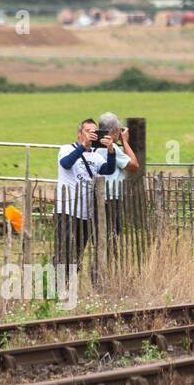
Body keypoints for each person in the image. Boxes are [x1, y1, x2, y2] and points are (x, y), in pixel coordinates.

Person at [56, 118, 117, 271]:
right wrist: (83, 147)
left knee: (78, 252)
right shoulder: (66, 149)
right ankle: (57, 286)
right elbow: (66, 163)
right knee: (64, 251)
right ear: (79, 134)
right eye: (88, 131)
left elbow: (108, 170)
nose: (91, 134)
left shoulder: (96, 156)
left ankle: (71, 285)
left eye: (94, 132)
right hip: (67, 210)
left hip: (85, 213)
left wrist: (110, 150)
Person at [97, 112, 140, 236]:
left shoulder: (95, 147)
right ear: (115, 130)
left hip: (97, 195)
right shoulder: (113, 148)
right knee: (113, 233)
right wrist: (125, 141)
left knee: (100, 232)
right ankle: (112, 255)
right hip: (111, 197)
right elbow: (134, 165)